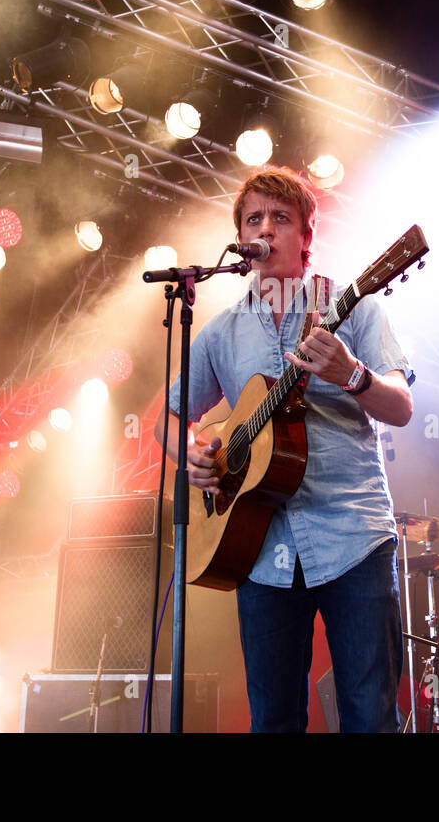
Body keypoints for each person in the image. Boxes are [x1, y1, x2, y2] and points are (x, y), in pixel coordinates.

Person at [157, 167, 414, 732]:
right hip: (260, 545)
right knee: (272, 721)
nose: (266, 229)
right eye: (254, 220)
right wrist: (194, 453)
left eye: (281, 218)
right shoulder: (220, 333)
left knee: (370, 716)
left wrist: (352, 375)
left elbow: (400, 407)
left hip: (353, 534)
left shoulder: (356, 308)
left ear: (306, 237)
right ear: (242, 242)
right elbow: (167, 420)